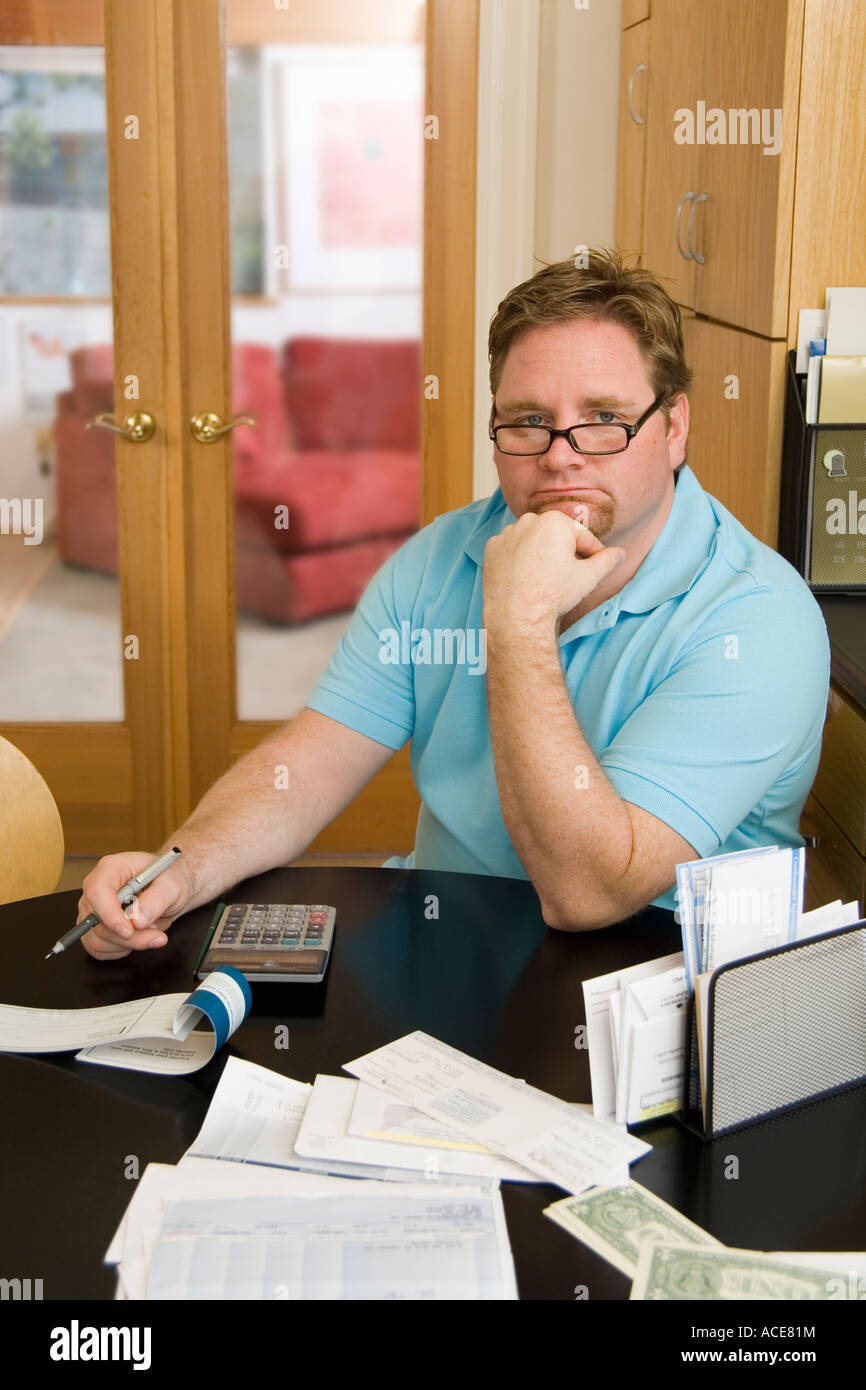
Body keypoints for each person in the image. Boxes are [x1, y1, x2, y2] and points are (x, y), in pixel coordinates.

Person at [79, 246, 829, 960]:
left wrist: (517, 620)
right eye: (528, 420)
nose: (560, 454)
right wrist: (179, 869)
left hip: (645, 995)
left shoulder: (759, 622)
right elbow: (308, 766)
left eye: (603, 417)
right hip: (444, 942)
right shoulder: (441, 557)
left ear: (674, 428)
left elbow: (589, 892)